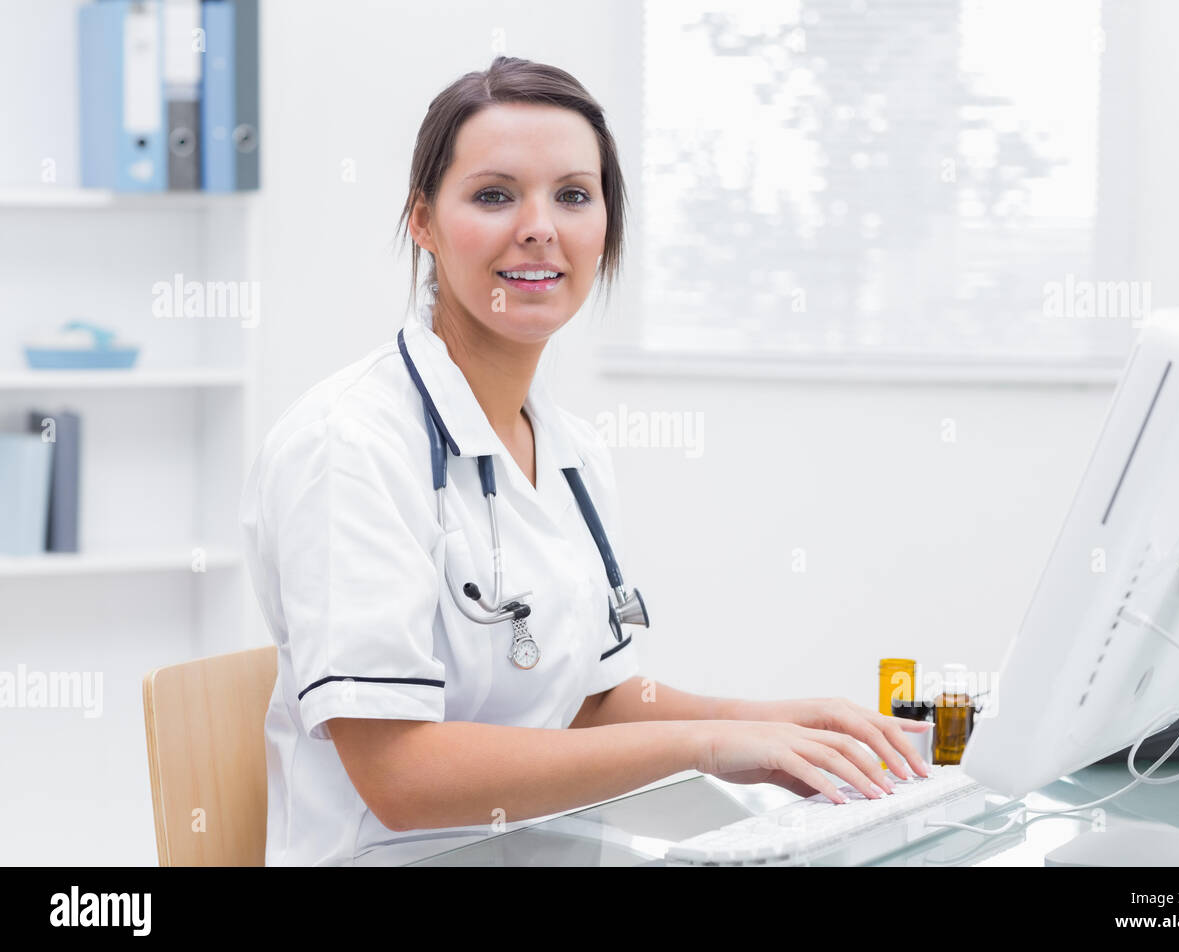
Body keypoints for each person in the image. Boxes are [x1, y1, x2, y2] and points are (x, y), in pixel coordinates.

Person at [239, 55, 930, 866]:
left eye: (573, 195)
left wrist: (774, 725)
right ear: (422, 221)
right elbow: (400, 775)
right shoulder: (349, 444)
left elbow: (588, 707)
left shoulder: (570, 452)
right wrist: (708, 743)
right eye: (494, 195)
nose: (540, 227)